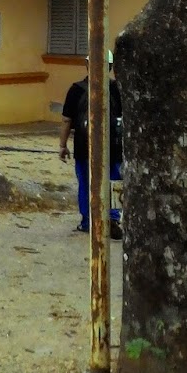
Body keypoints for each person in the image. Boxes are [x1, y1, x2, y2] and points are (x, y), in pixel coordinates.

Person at [59, 56, 124, 239]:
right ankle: (113, 217)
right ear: (111, 67)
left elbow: (66, 120)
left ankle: (89, 221)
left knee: (86, 183)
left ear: (88, 65)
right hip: (114, 147)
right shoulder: (118, 89)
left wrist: (62, 146)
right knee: (114, 181)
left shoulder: (76, 90)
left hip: (84, 146)